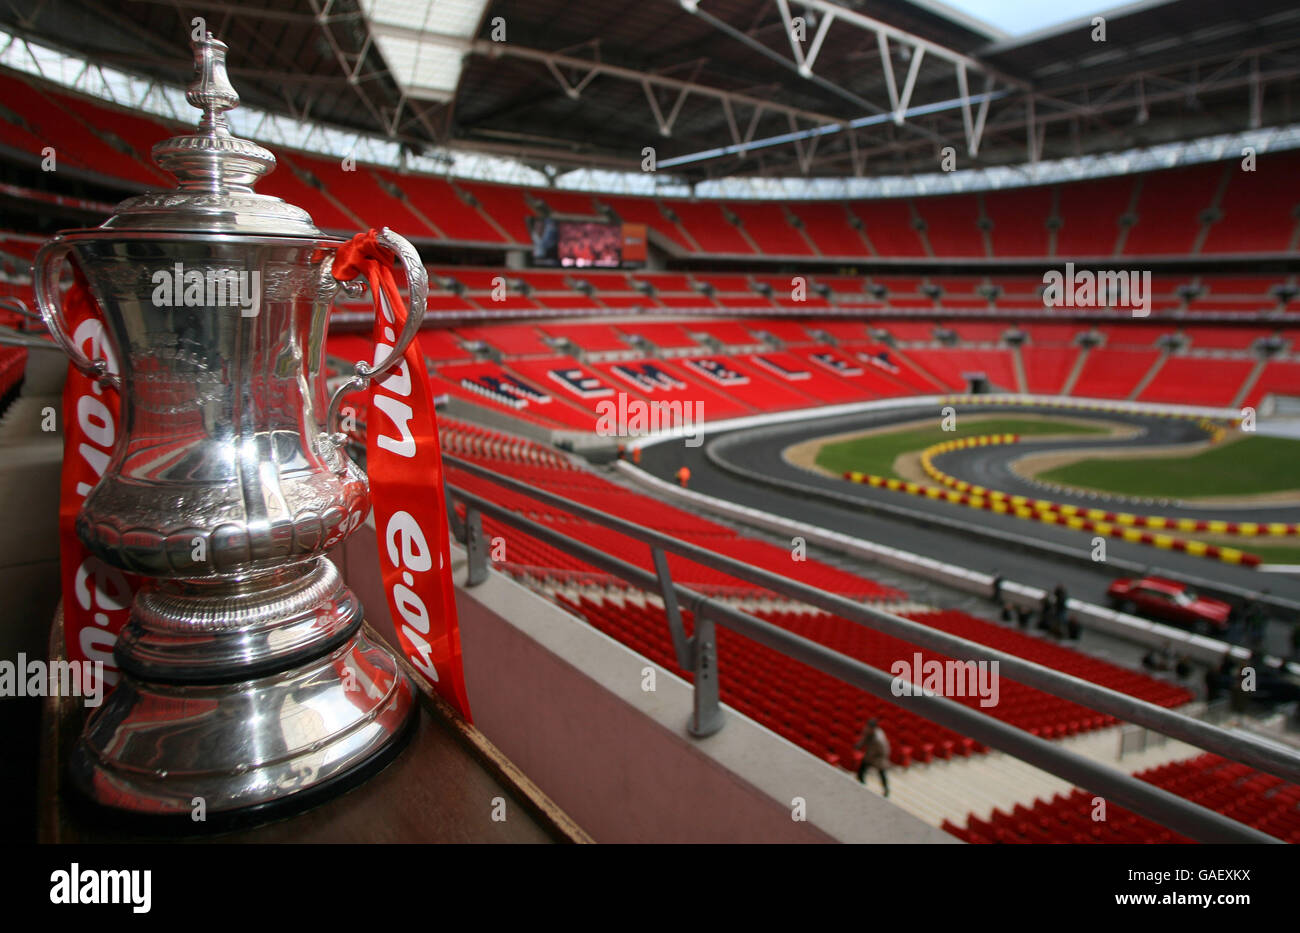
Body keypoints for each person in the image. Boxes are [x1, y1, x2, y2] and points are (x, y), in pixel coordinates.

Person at [855, 717, 891, 797]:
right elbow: (864, 740)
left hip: (879, 757)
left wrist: (877, 757)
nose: (867, 728)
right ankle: (862, 785)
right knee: (861, 770)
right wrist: (858, 746)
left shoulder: (879, 739)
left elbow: (885, 751)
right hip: (870, 755)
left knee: (882, 773)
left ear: (874, 728)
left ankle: (886, 790)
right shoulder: (868, 731)